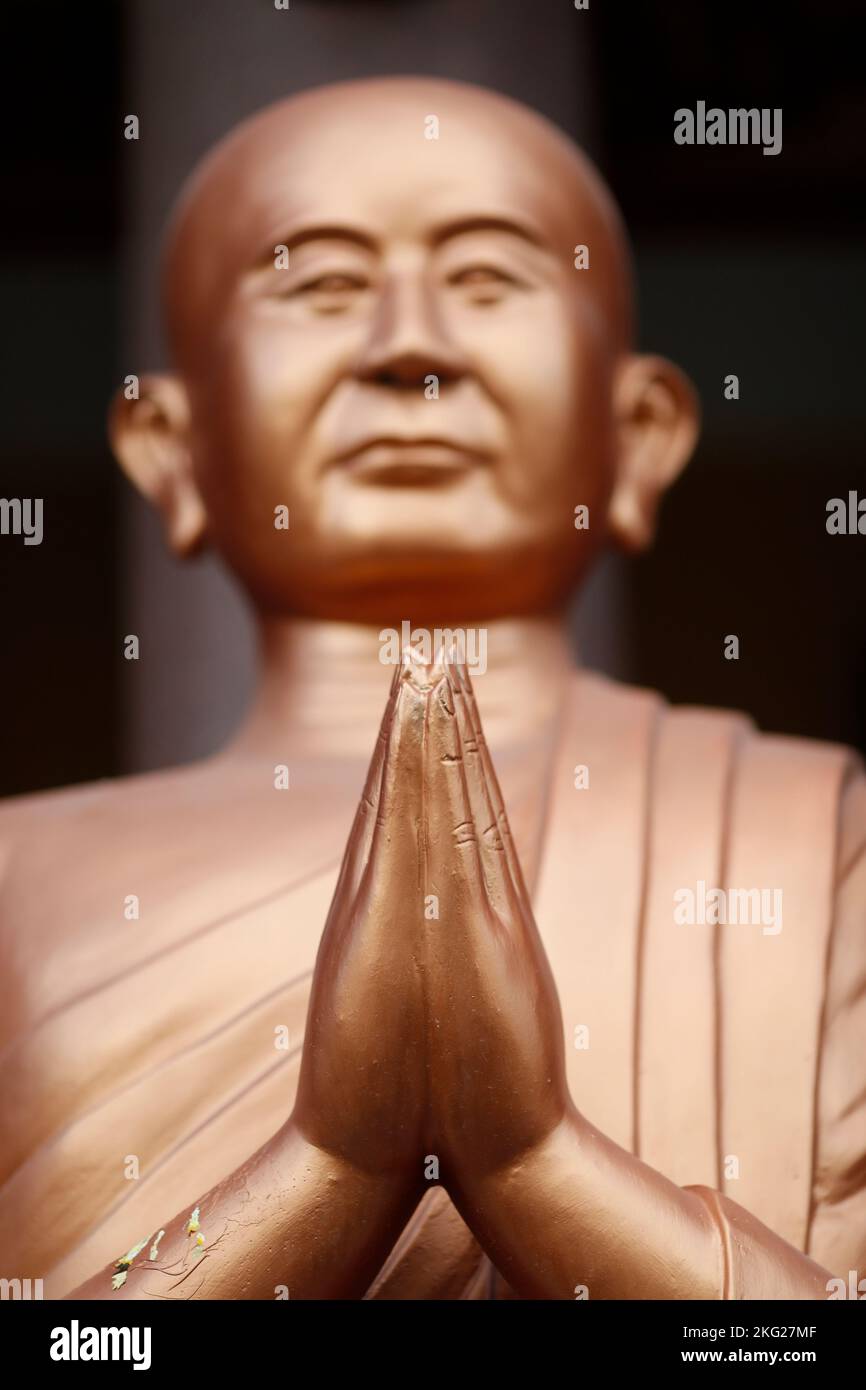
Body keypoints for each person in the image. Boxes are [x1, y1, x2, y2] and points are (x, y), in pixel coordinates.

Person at [1, 77, 863, 1300]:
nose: (408, 347)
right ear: (170, 451)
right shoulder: (15, 880)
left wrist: (538, 1167)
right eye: (319, 284)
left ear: (639, 436)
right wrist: (326, 1171)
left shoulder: (820, 842)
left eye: (488, 279)